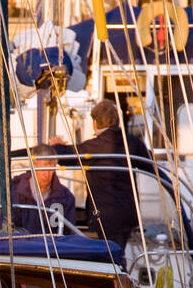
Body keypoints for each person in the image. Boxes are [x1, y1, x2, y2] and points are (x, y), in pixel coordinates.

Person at [51, 99, 151, 252]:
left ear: (95, 123)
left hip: (105, 216)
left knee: (110, 255)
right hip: (129, 214)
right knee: (118, 250)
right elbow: (148, 164)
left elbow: (66, 156)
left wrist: (55, 146)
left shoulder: (94, 146)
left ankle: (116, 271)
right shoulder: (133, 143)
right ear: (117, 120)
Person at [10, 144, 77, 234]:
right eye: (43, 168)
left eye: (51, 169)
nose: (47, 174)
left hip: (53, 247)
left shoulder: (66, 197)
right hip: (22, 246)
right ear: (33, 166)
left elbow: (69, 234)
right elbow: (7, 229)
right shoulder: (15, 191)